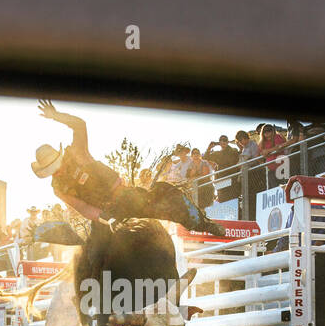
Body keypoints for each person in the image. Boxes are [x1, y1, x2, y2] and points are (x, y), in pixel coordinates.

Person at [32, 99, 224, 235]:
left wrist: (56, 116)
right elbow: (82, 207)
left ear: (60, 157)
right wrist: (107, 219)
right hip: (105, 215)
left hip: (126, 196)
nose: (58, 171)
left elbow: (80, 125)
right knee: (94, 254)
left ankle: (204, 224)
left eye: (56, 166)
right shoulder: (58, 188)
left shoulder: (76, 152)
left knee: (167, 195)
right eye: (52, 170)